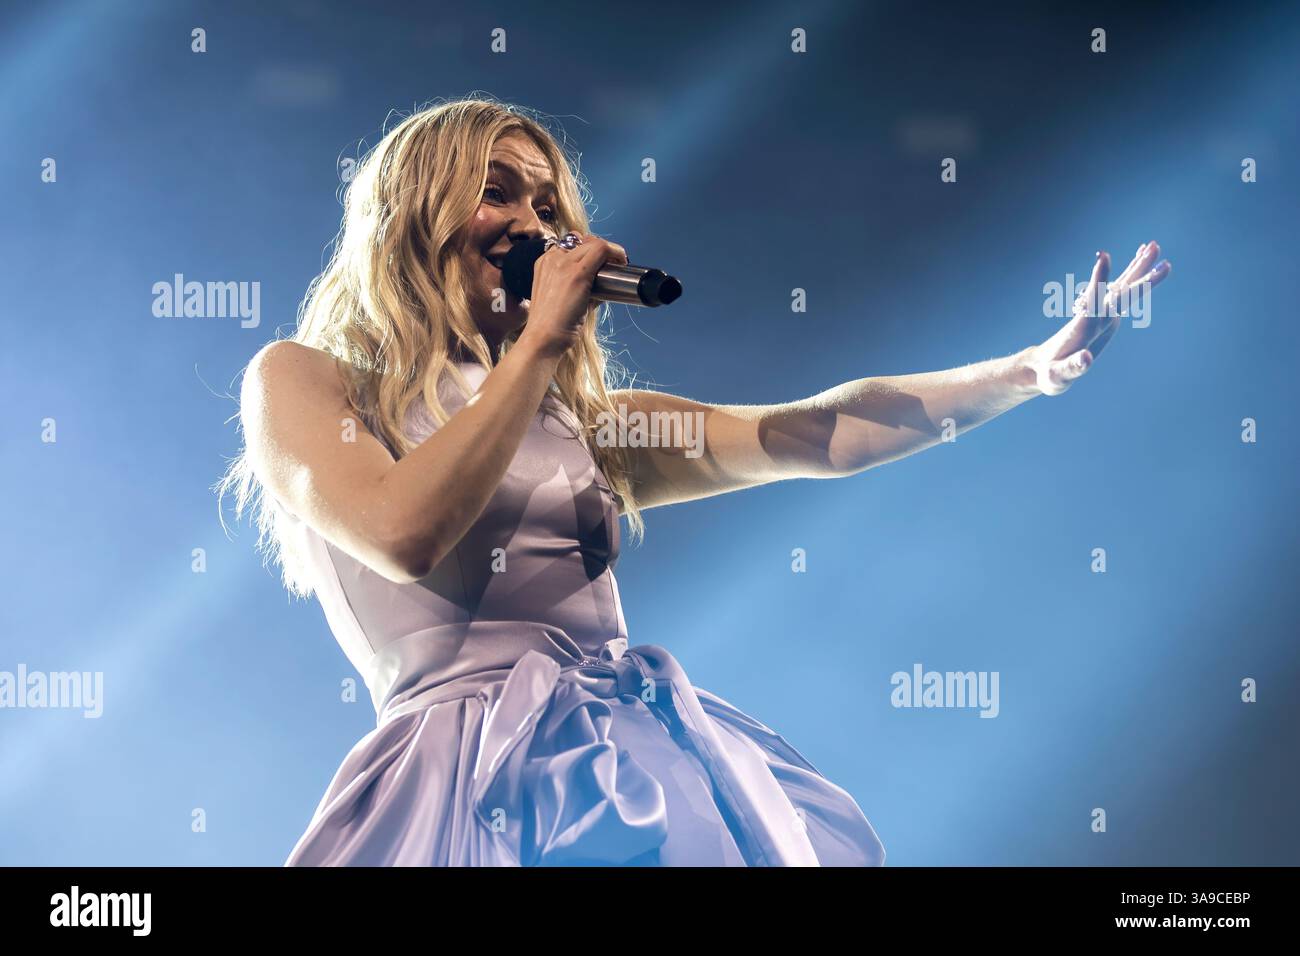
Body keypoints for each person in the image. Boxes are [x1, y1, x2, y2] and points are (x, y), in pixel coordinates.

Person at [217, 97, 1170, 866]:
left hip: (635, 762)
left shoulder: (584, 423)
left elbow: (814, 433)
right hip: (465, 771)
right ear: (408, 212)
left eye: (550, 208)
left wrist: (1021, 372)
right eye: (497, 193)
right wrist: (541, 342)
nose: (533, 227)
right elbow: (403, 531)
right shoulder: (309, 384)